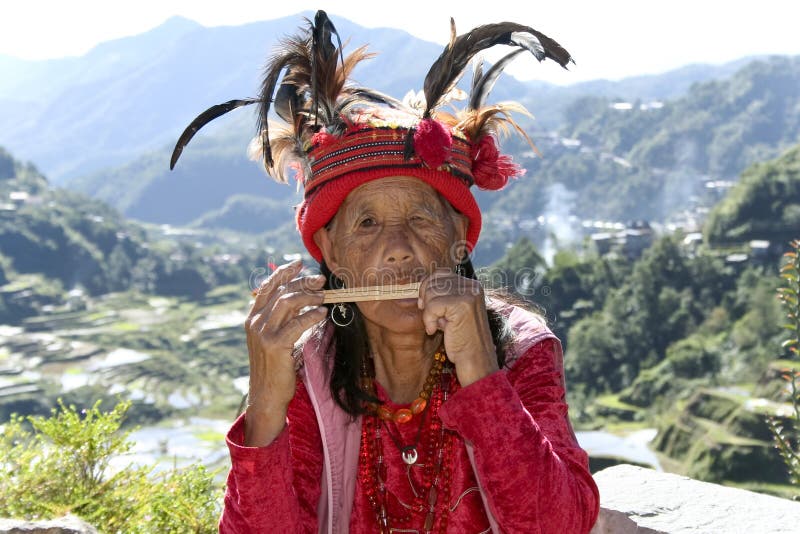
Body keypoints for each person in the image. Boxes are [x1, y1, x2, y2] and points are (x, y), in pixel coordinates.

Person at [171, 10, 599, 534]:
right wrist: (265, 406)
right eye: (367, 224)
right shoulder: (311, 369)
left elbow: (559, 526)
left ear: (459, 237)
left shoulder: (520, 349)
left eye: (421, 219)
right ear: (331, 253)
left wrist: (481, 371)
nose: (398, 251)